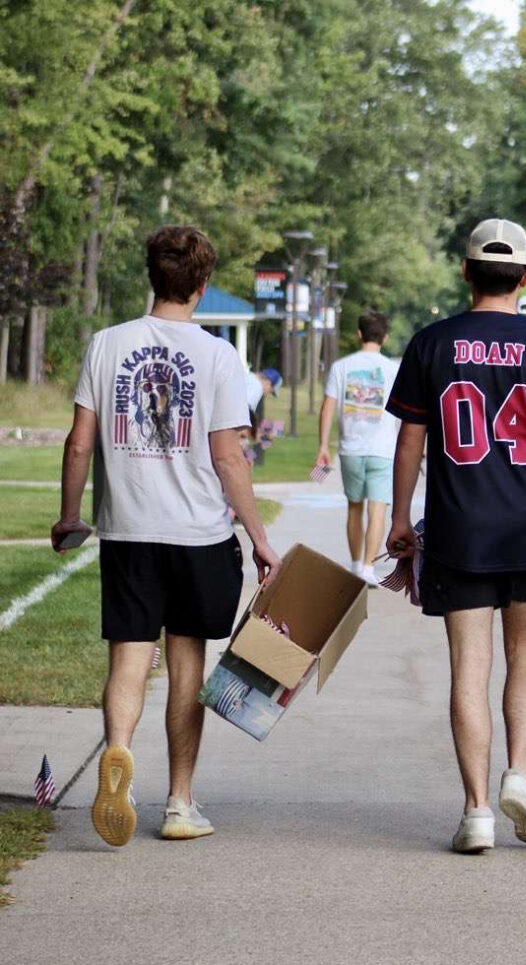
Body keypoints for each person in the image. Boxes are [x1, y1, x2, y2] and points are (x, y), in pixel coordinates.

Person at [52, 225, 282, 848]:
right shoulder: (218, 356)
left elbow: (79, 443)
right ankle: (180, 802)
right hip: (198, 535)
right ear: (202, 284)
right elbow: (228, 457)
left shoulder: (106, 344)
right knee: (187, 664)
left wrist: (71, 516)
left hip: (128, 532)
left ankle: (119, 752)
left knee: (129, 656)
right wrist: (259, 538)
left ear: (152, 276)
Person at [385, 218, 526, 854]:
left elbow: (409, 441)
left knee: (469, 666)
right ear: (525, 276)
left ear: (466, 271)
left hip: (458, 526)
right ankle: (520, 773)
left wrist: (399, 519)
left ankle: (477, 811)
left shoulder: (431, 343)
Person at [314, 311, 400, 586]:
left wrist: (323, 446)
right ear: (385, 338)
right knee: (378, 510)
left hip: (350, 448)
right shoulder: (393, 369)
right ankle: (367, 568)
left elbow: (327, 407)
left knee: (354, 508)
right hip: (382, 449)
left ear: (359, 334)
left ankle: (354, 565)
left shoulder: (341, 367)